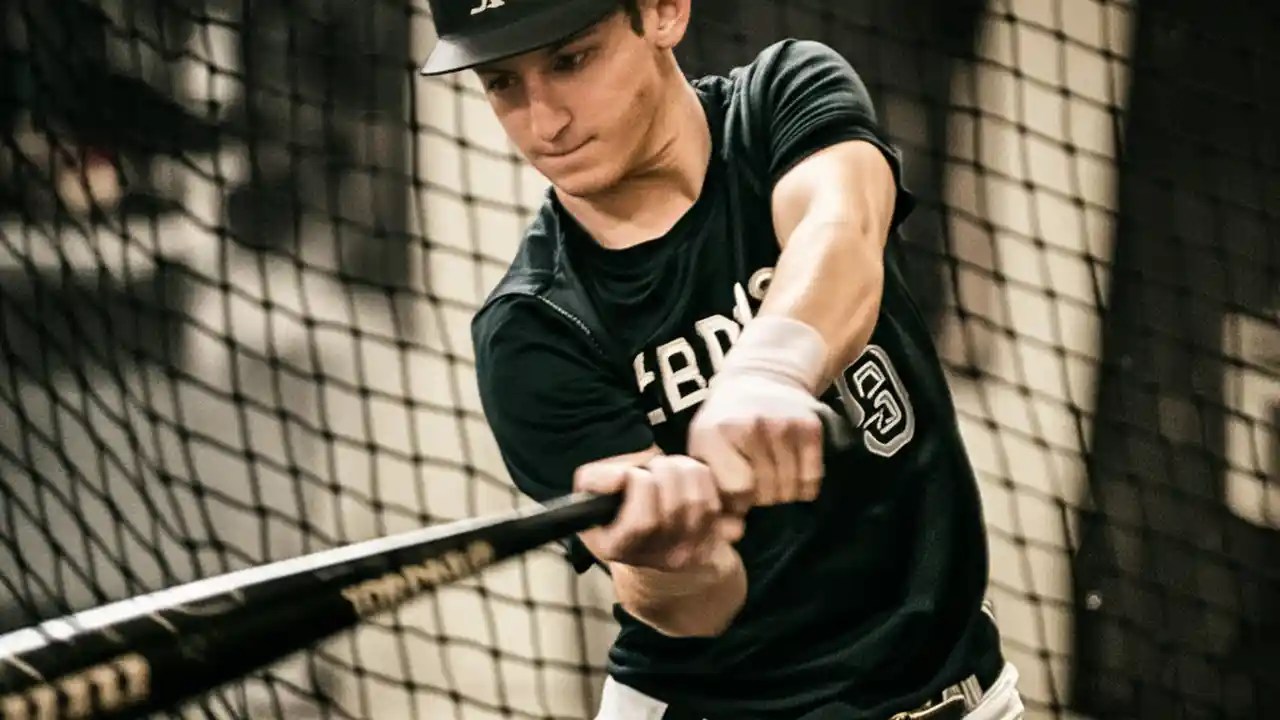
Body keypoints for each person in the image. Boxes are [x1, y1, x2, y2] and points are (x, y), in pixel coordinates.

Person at [421, 0, 1024, 717]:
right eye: (502, 84)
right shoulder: (531, 327)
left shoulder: (782, 99)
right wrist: (670, 560)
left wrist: (768, 370)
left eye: (571, 60)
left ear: (663, 12)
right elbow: (696, 609)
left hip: (964, 690)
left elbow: (840, 229)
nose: (543, 123)